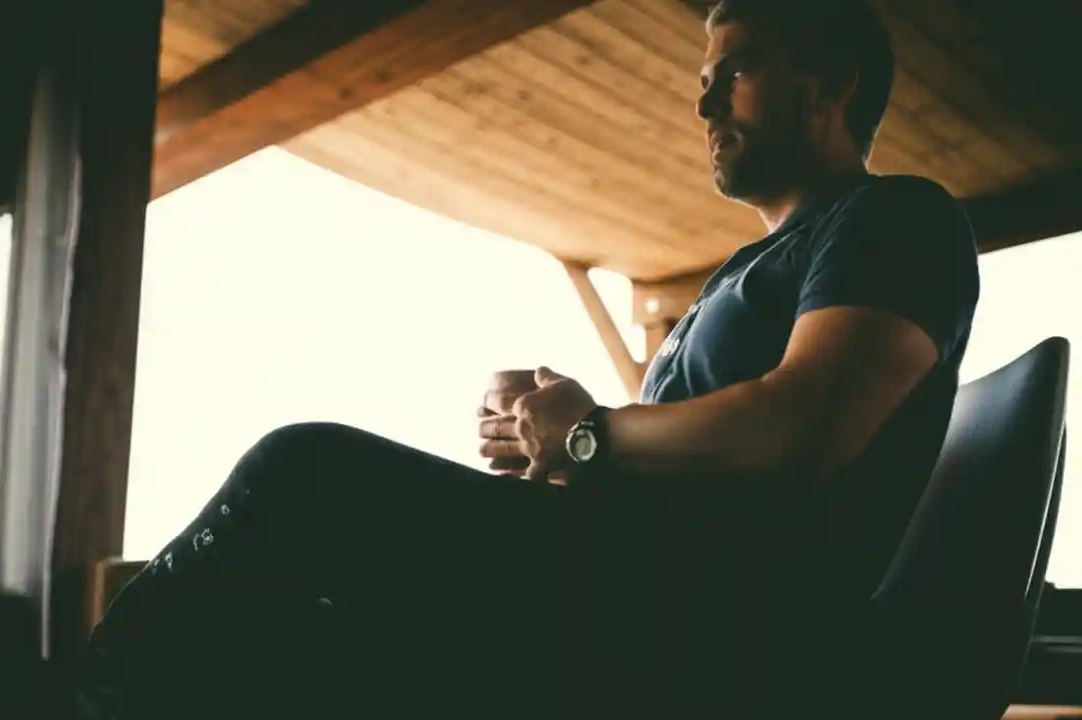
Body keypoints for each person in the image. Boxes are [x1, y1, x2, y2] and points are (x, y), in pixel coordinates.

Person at [75, 0, 979, 716]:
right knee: (303, 647)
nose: (703, 104)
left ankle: (80, 695)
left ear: (832, 86)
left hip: (714, 628)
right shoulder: (750, 269)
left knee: (301, 470)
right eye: (705, 79)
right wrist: (555, 447)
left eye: (736, 72)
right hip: (647, 590)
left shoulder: (894, 217)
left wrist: (589, 435)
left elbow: (805, 426)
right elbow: (667, 454)